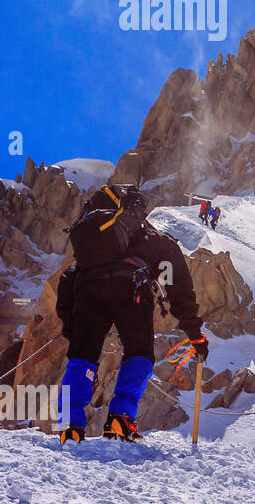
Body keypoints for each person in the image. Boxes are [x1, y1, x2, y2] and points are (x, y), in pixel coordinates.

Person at [55, 184, 208, 443]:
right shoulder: (150, 237)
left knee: (82, 358)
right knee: (139, 353)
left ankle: (69, 423)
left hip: (88, 289)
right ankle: (120, 419)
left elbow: (68, 280)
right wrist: (194, 333)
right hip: (131, 291)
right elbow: (177, 285)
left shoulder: (91, 245)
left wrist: (73, 330)